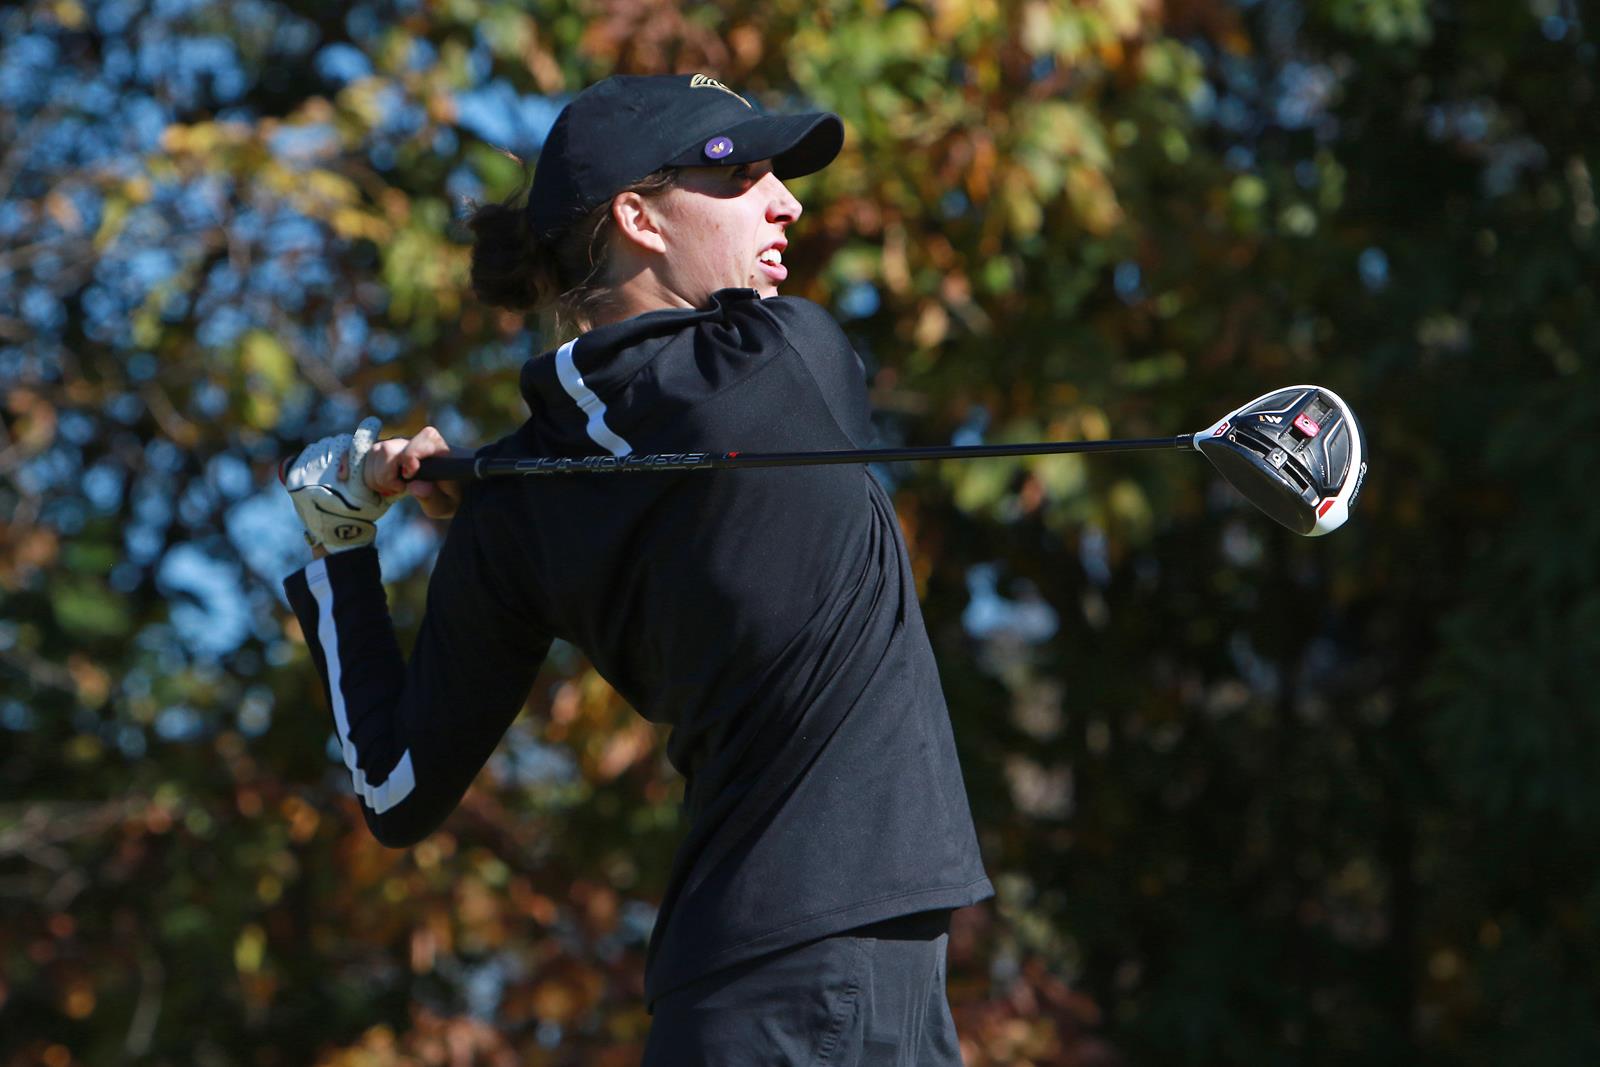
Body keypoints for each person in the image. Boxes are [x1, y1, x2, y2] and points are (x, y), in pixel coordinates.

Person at [279, 73, 993, 1065]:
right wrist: (495, 477)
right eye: (742, 176)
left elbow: (395, 787)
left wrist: (342, 539)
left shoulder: (517, 499)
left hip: (807, 977)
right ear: (637, 217)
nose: (786, 201)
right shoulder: (785, 357)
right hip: (809, 986)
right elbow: (647, 407)